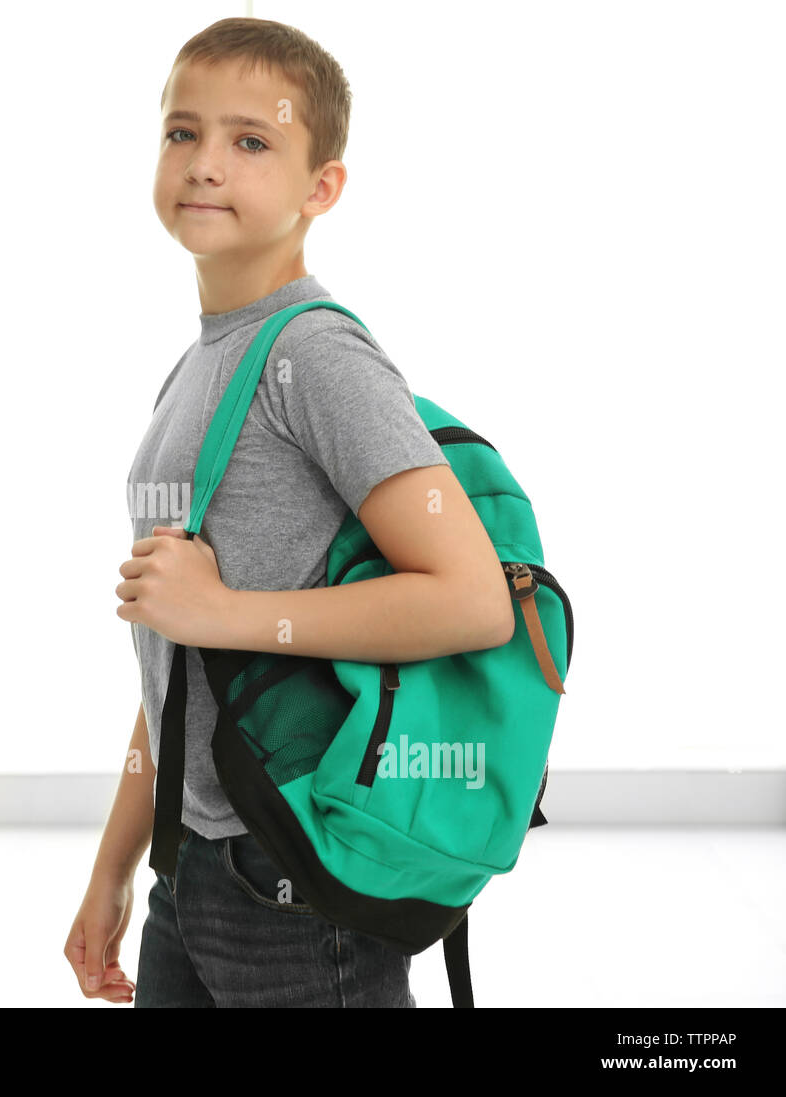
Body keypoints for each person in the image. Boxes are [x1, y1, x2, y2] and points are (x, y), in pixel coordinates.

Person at [63, 16, 515, 1008]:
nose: (205, 163)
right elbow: (174, 666)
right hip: (194, 875)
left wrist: (226, 609)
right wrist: (115, 869)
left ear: (322, 189)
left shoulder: (315, 356)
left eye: (250, 140)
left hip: (290, 891)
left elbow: (474, 598)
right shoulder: (198, 367)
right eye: (182, 133)